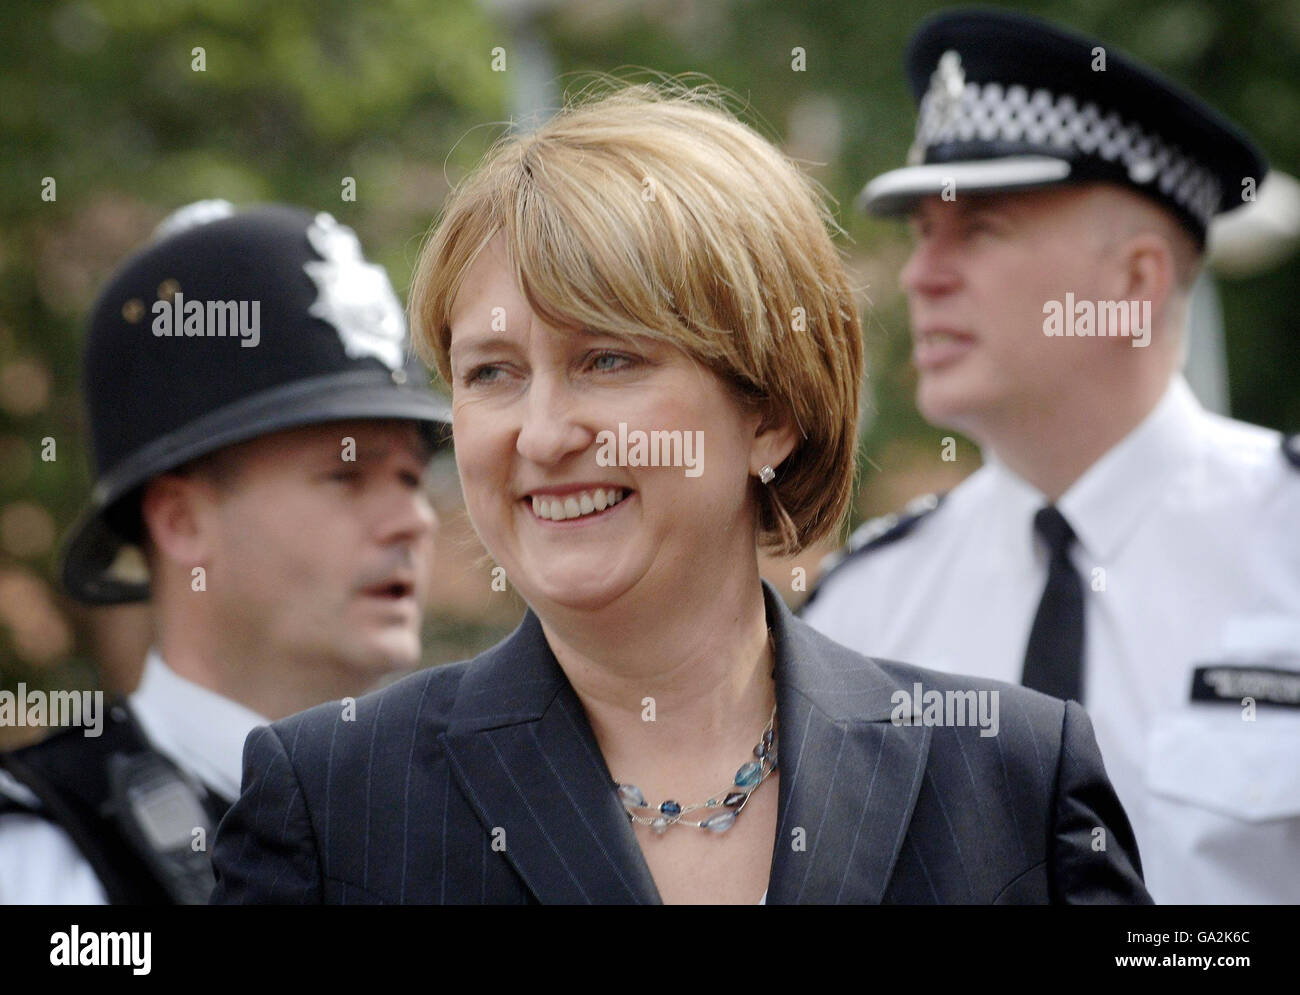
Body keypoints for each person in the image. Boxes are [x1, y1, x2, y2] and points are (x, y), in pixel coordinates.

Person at [210, 84, 1150, 905]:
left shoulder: (1009, 778)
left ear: (770, 411)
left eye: (606, 359)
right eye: (492, 373)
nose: (541, 434)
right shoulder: (333, 802)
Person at [800, 9, 1300, 904]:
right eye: (921, 232)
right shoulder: (861, 609)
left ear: (1135, 281)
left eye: (979, 228)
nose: (922, 274)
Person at [0, 201, 451, 904]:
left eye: (411, 476)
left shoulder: (466, 824)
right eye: (346, 473)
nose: (413, 519)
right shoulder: (42, 862)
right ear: (181, 521)